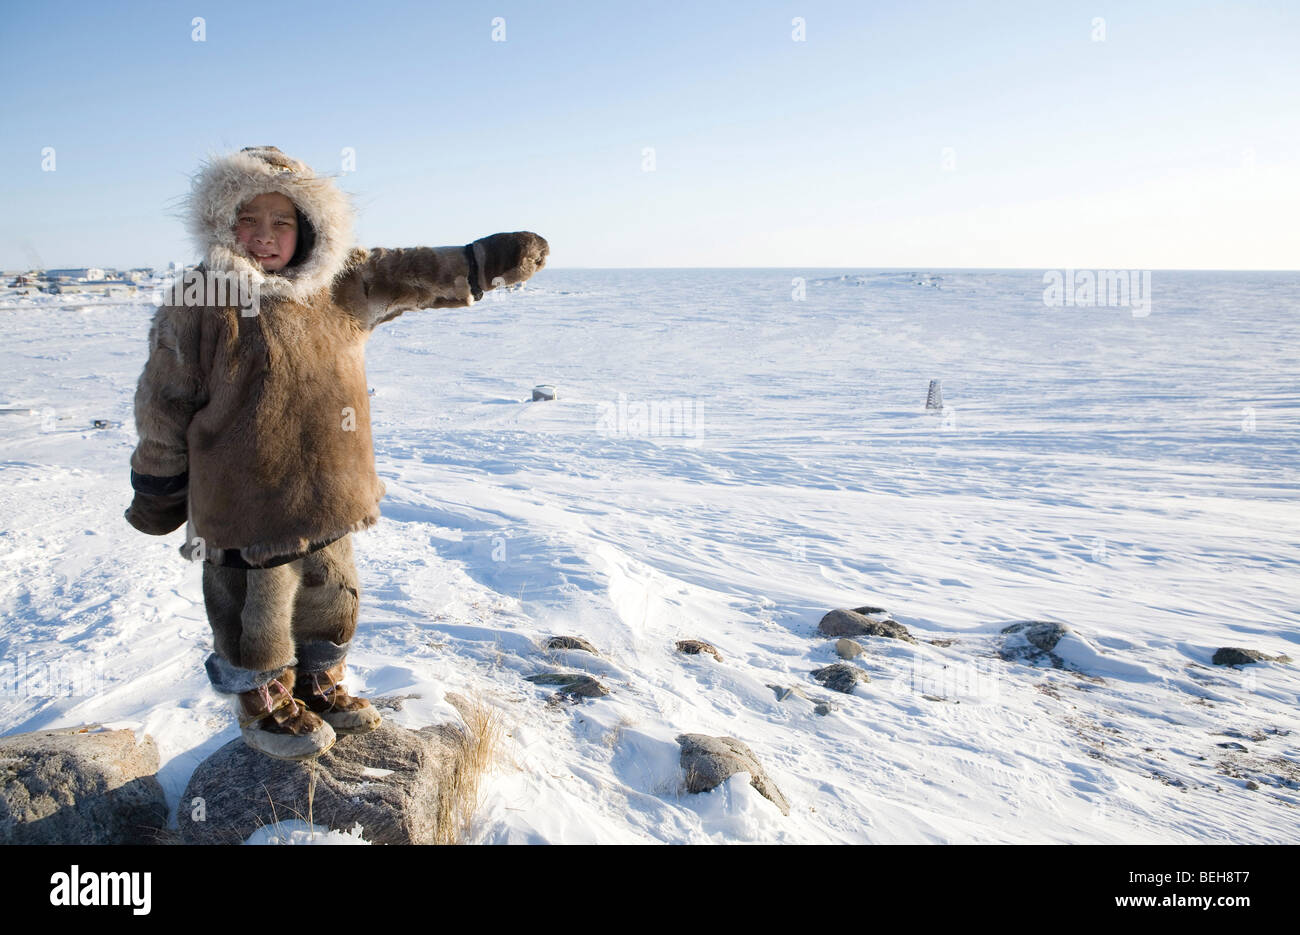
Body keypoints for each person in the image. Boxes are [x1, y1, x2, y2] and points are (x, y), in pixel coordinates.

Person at [124, 145, 548, 760]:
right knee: (255, 611)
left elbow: (416, 271)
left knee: (332, 592)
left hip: (330, 488)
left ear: (310, 226)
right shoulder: (201, 298)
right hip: (243, 503)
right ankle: (262, 698)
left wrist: (484, 263)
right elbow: (163, 402)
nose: (264, 237)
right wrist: (157, 488)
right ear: (222, 223)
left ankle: (320, 682)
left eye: (282, 221)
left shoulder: (341, 284)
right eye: (248, 220)